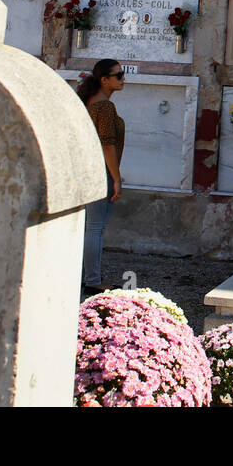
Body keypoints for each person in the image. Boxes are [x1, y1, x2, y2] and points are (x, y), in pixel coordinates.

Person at [78, 58, 125, 294]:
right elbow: (107, 145)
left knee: (89, 227)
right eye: (118, 75)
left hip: (87, 169)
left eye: (123, 73)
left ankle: (86, 276)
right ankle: (93, 280)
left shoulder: (89, 103)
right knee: (95, 228)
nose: (123, 78)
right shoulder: (104, 107)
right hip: (100, 171)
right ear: (104, 80)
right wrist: (116, 178)